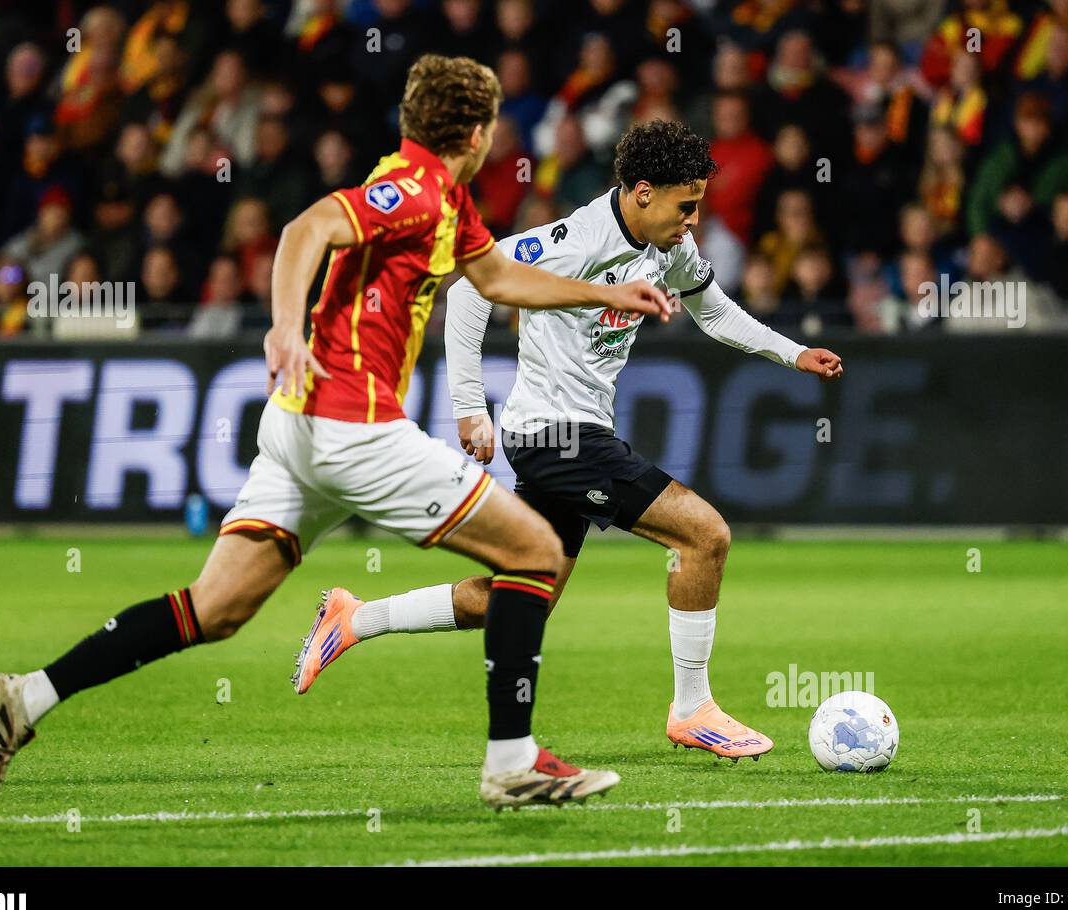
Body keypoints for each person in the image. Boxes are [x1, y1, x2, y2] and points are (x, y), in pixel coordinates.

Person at [0, 55, 670, 810]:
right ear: (476, 130)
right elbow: (306, 229)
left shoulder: (446, 197)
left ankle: (26, 697)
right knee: (535, 551)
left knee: (218, 609)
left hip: (297, 428)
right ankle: (511, 763)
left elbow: (497, 278)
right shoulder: (412, 191)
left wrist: (605, 289)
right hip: (354, 428)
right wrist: (282, 328)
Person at [296, 121, 844, 761]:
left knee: (525, 592)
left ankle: (354, 618)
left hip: (575, 435)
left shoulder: (667, 248)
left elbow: (714, 309)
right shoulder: (575, 241)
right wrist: (471, 409)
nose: (694, 219)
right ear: (642, 192)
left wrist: (795, 352)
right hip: (556, 437)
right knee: (705, 534)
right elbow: (473, 287)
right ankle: (693, 709)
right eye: (685, 204)